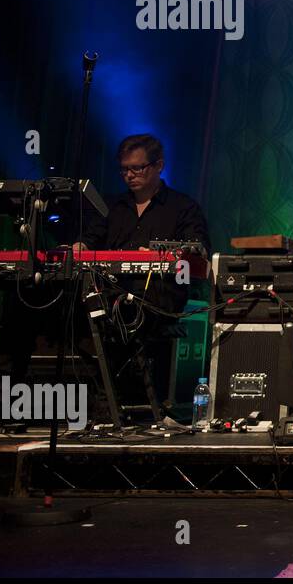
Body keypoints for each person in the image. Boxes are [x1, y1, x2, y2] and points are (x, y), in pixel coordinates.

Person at [75, 134, 211, 415]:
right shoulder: (112, 208)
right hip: (109, 292)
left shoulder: (183, 208)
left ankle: (112, 399)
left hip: (158, 297)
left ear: (159, 165)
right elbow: (90, 241)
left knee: (122, 309)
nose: (129, 175)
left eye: (137, 168)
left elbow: (196, 257)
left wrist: (159, 256)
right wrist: (80, 247)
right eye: (124, 169)